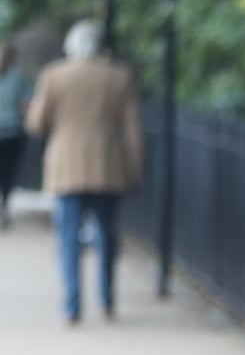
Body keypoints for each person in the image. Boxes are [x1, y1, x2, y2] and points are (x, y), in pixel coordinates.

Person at [24, 19, 143, 322]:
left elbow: (37, 124)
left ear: (70, 47)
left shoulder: (54, 76)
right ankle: (106, 300)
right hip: (108, 165)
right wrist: (134, 170)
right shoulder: (119, 77)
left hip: (67, 166)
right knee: (106, 234)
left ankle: (72, 305)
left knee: (68, 238)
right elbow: (133, 132)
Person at [0, 41, 32, 226]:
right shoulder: (19, 78)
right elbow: (27, 105)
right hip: (12, 132)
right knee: (8, 173)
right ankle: (4, 205)